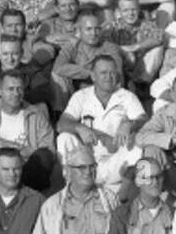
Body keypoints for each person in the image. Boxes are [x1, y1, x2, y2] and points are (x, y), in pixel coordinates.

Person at [57, 52, 146, 190]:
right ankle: (72, 185)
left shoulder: (127, 96)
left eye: (112, 73)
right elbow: (62, 123)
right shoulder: (81, 96)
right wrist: (80, 128)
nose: (109, 77)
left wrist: (130, 124)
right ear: (93, 76)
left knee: (139, 142)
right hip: (87, 162)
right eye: (103, 73)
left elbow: (144, 119)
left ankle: (124, 190)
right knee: (64, 138)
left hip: (116, 160)